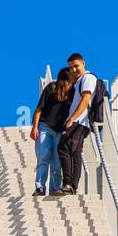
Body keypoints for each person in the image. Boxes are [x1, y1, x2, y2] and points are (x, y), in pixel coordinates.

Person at [53, 53, 98, 196]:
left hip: (79, 122)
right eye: (70, 67)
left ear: (83, 63)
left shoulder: (88, 78)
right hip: (78, 122)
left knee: (64, 148)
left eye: (76, 66)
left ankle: (69, 184)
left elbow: (85, 100)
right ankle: (71, 186)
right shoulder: (79, 81)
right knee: (74, 151)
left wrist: (72, 118)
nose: (73, 70)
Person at [30, 67, 73, 196]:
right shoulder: (51, 88)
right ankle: (40, 187)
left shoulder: (73, 93)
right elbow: (39, 108)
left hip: (60, 131)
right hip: (45, 127)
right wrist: (35, 127)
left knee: (56, 162)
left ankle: (55, 189)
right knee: (43, 157)